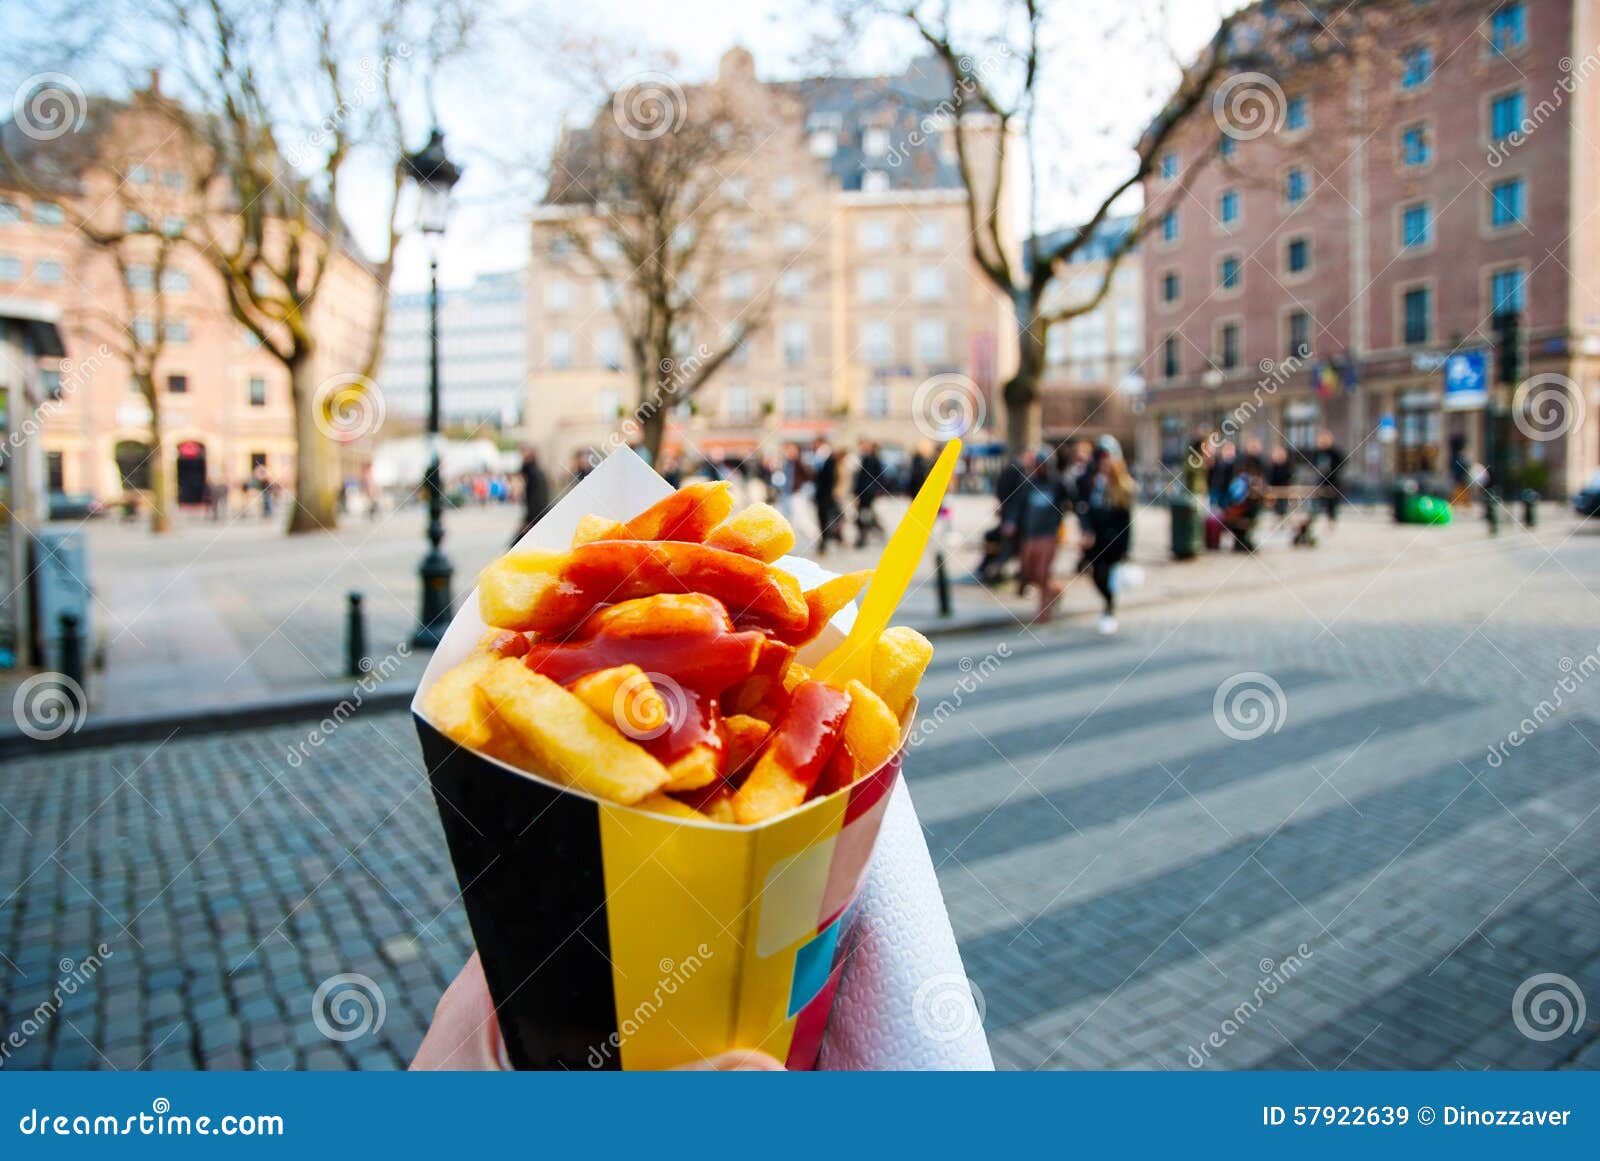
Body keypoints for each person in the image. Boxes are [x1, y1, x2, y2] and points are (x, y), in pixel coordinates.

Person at [1081, 441, 1134, 635]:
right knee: (1093, 573)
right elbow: (1086, 508)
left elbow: (1126, 521)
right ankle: (1109, 602)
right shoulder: (1095, 482)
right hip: (1096, 539)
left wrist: (1126, 549)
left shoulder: (1122, 488)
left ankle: (1109, 607)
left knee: (1105, 574)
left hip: (1113, 541)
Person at [1015, 452, 1066, 622]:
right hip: (1030, 534)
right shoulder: (1029, 483)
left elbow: (1070, 503)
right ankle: (1056, 590)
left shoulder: (1057, 483)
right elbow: (1019, 506)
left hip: (1049, 533)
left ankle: (1043, 611)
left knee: (1043, 572)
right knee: (1030, 572)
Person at [852, 439, 886, 548]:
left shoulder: (869, 459)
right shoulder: (874, 459)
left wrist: (857, 491)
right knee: (865, 514)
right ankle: (869, 532)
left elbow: (864, 478)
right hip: (868, 492)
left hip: (866, 493)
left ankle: (864, 536)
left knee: (864, 514)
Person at [811, 439, 843, 555]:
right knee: (822, 519)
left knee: (826, 519)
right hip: (821, 496)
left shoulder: (830, 460)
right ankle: (824, 542)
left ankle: (824, 542)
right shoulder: (820, 460)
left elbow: (832, 479)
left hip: (826, 496)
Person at [513, 448, 550, 546]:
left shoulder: (534, 474)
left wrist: (529, 520)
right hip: (537, 516)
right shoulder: (533, 472)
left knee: (518, 544)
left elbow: (537, 499)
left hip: (536, 516)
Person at [1312, 429, 1345, 524]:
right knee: (1319, 500)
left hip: (1333, 481)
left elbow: (1342, 462)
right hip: (1321, 480)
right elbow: (1312, 463)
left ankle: (1331, 519)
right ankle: (1318, 518)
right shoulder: (1318, 452)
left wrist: (1334, 470)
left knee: (1332, 502)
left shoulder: (1335, 452)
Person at [1267, 446, 1293, 516]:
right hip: (1274, 493)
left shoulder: (1288, 466)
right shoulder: (1271, 467)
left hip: (1285, 493)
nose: (1279, 456)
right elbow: (1270, 480)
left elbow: (1289, 479)